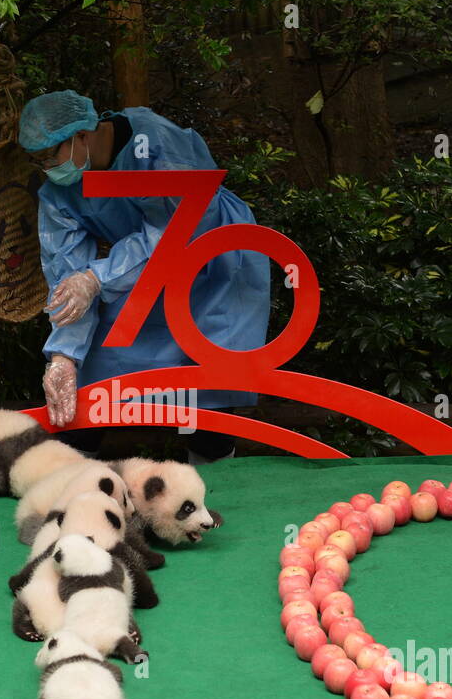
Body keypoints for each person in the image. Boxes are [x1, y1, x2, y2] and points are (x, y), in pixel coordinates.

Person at [17, 90, 271, 464]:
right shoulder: (59, 190)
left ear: (81, 137)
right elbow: (66, 275)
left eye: (49, 155)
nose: (47, 168)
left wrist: (96, 278)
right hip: (137, 271)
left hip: (212, 257)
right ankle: (75, 472)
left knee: (210, 375)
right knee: (99, 366)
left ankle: (212, 481)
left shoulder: (155, 145)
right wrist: (63, 356)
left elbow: (173, 232)